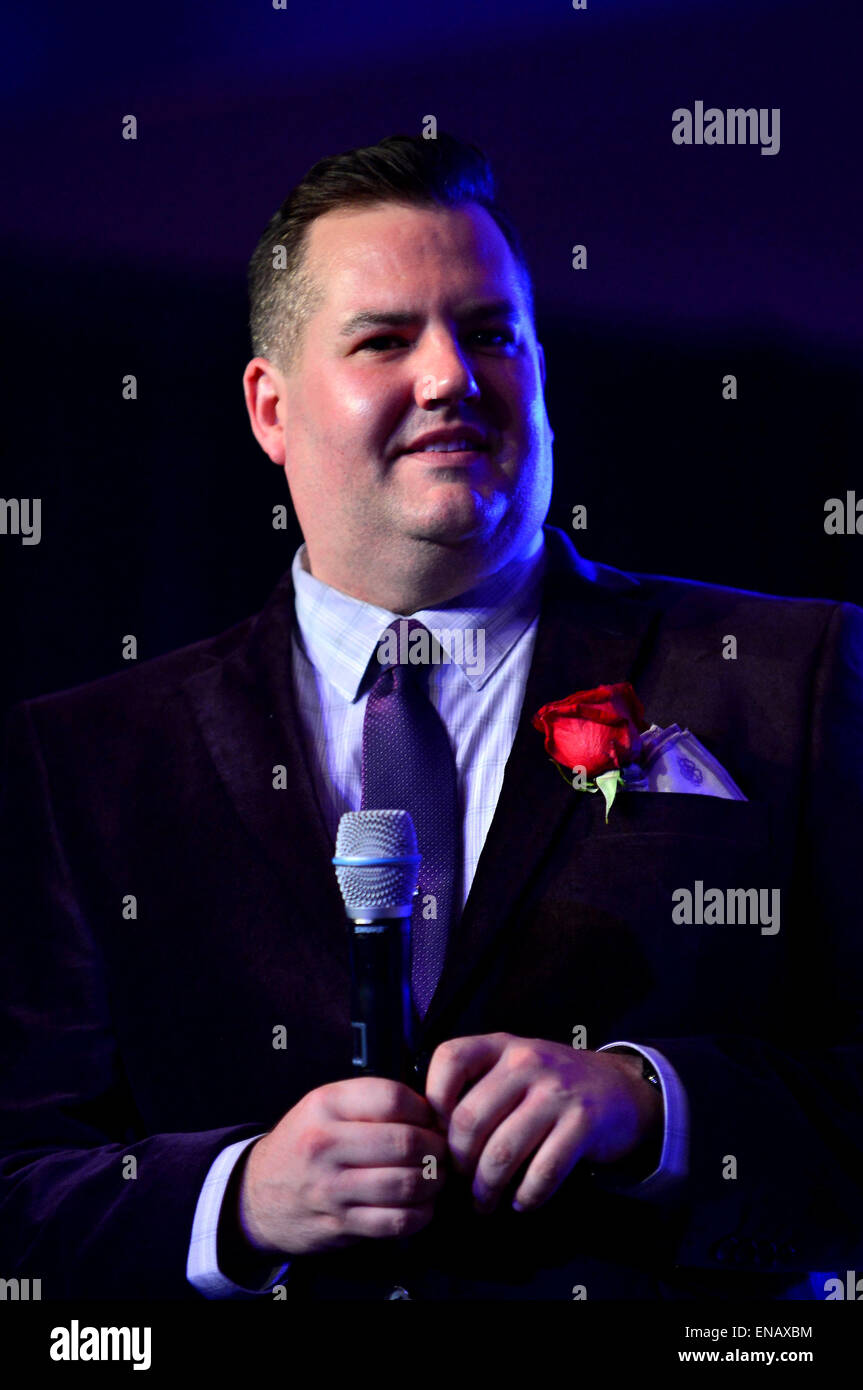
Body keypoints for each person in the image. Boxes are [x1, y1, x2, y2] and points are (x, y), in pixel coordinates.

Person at [1, 133, 862, 1301]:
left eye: (490, 332)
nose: (452, 374)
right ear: (269, 408)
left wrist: (656, 1104)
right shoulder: (84, 760)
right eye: (384, 339)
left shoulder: (784, 672)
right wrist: (236, 1203)